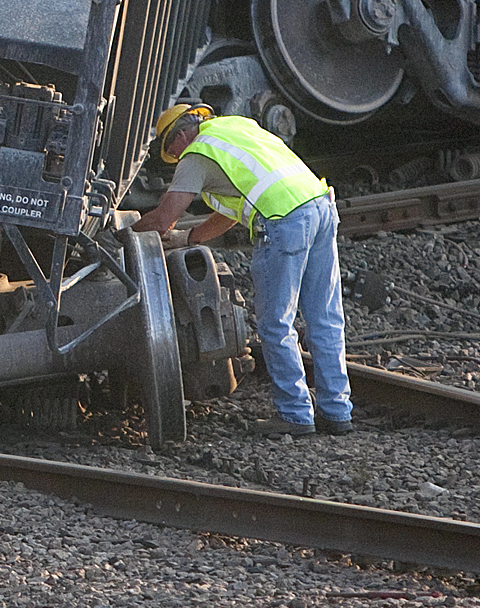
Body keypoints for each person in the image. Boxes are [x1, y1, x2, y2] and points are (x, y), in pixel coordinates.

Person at [130, 104, 354, 438]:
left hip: (284, 221)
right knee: (325, 317)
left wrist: (127, 233)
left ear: (180, 135)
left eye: (170, 150)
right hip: (320, 207)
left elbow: (163, 219)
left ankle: (295, 415)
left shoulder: (197, 152)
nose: (173, 158)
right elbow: (233, 212)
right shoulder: (237, 129)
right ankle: (337, 413)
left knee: (275, 324)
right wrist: (189, 238)